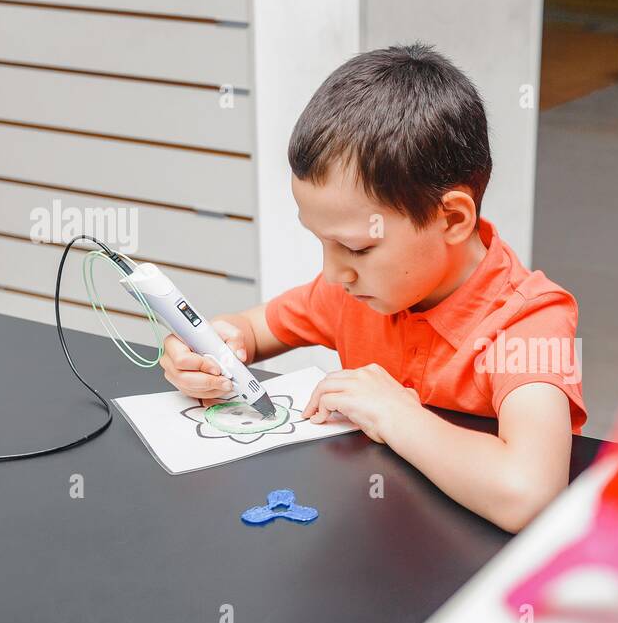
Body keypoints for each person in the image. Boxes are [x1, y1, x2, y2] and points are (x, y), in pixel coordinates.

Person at [158, 44, 587, 533]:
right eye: (321, 242)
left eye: (357, 248)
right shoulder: (351, 291)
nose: (336, 272)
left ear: (451, 218)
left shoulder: (531, 323)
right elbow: (250, 331)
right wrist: (206, 350)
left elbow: (528, 494)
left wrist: (395, 415)